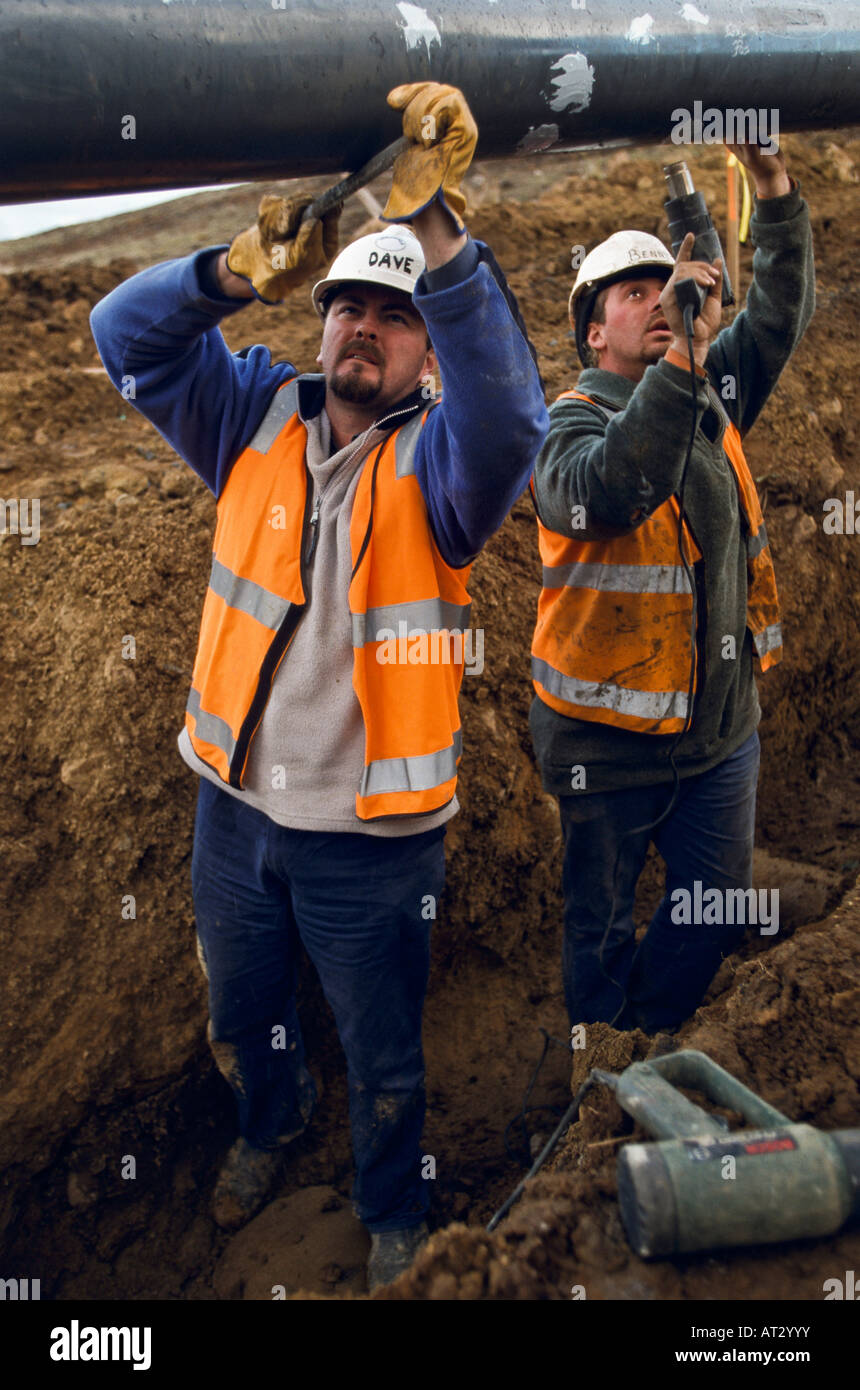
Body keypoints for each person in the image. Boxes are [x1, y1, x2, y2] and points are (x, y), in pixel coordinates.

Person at [90, 81, 548, 1289]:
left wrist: (437, 224)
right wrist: (231, 273)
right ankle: (268, 1126)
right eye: (346, 302)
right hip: (233, 810)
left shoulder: (445, 467)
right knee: (245, 1011)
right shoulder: (246, 412)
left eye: (393, 315)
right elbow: (120, 339)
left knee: (383, 1048)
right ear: (320, 319)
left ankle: (392, 1207)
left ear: (421, 347)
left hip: (370, 839)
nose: (361, 327)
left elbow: (510, 418)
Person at [529, 142, 814, 1035]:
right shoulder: (566, 428)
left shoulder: (707, 389)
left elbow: (773, 314)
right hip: (605, 748)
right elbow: (613, 488)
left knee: (710, 912)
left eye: (670, 285)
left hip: (720, 740)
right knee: (601, 932)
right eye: (635, 294)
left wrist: (771, 188)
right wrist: (685, 362)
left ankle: (648, 1043)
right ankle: (599, 1069)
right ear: (595, 332)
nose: (661, 302)